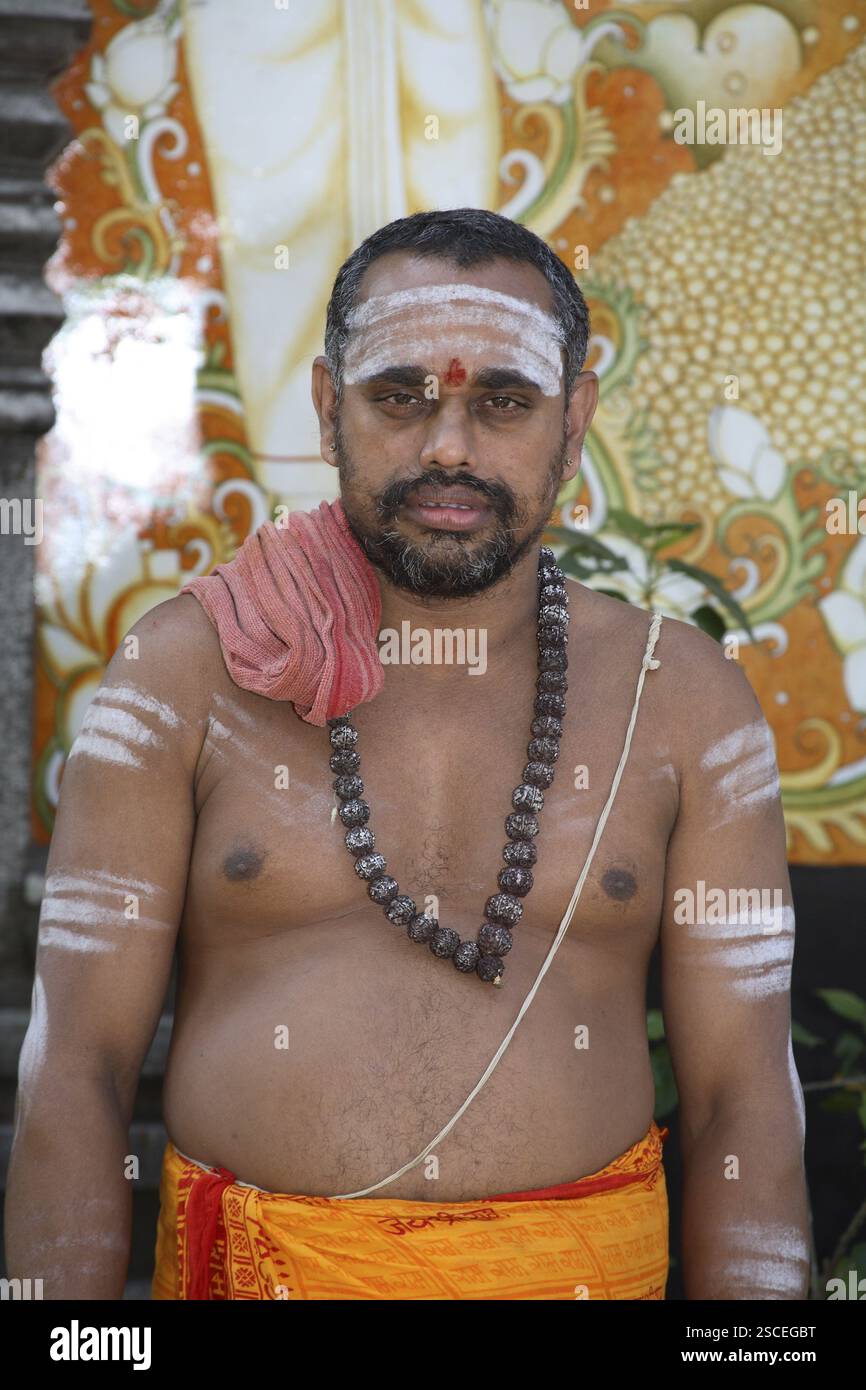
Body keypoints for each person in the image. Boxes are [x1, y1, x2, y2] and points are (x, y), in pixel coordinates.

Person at [5, 208, 808, 1300]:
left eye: (502, 403)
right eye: (399, 397)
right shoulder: (183, 677)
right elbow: (76, 1075)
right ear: (331, 407)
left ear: (572, 423)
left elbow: (742, 1102)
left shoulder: (683, 703)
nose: (447, 447)